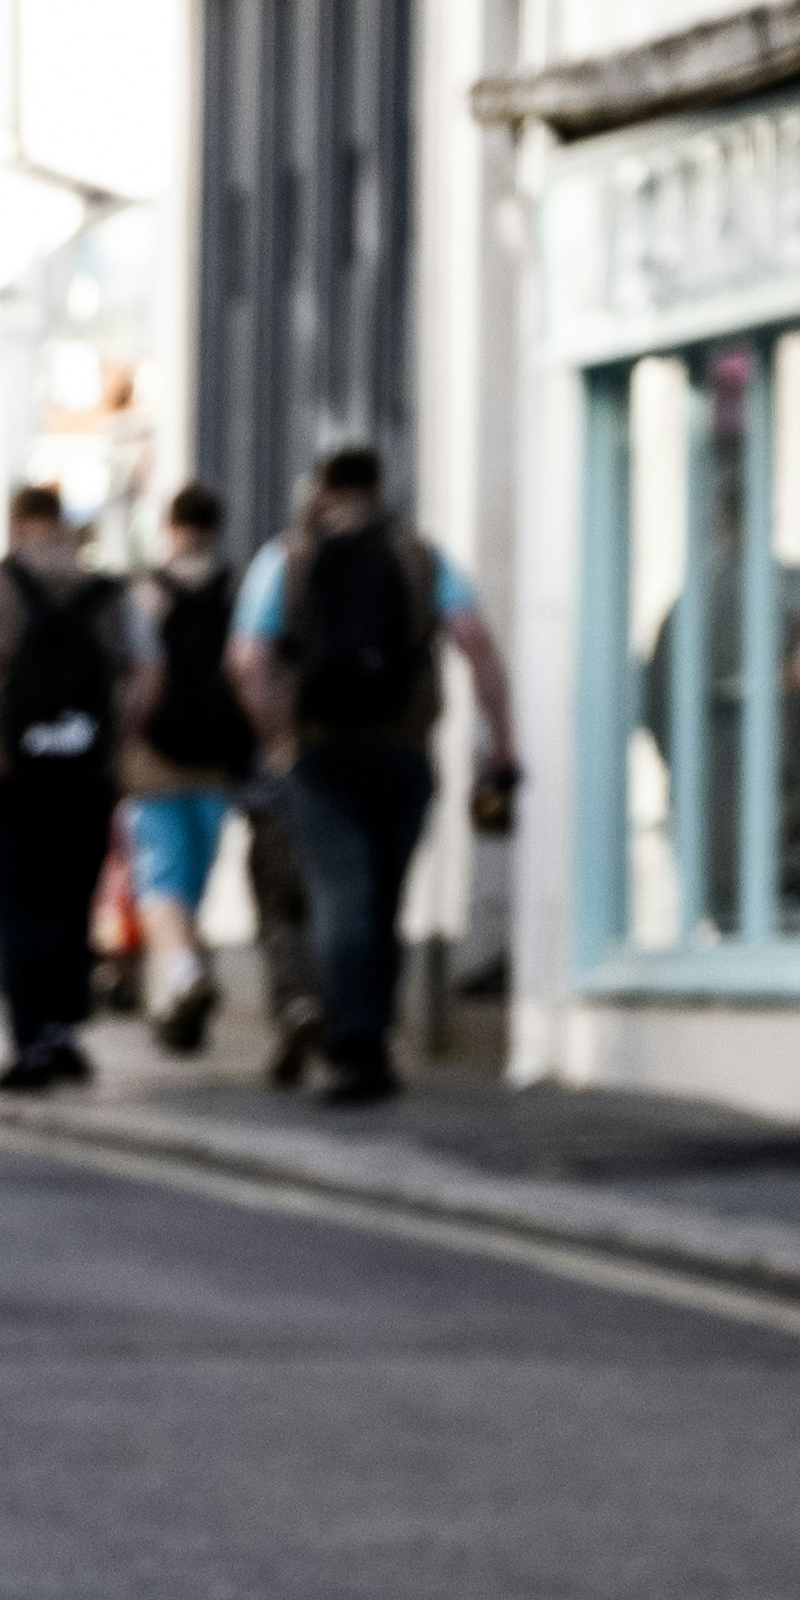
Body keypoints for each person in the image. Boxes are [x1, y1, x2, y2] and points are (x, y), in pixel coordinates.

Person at [229, 442, 525, 1106]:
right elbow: (476, 644)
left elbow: (248, 661)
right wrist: (503, 745)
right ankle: (377, 1039)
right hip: (403, 751)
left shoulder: (287, 558)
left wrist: (277, 735)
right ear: (379, 486)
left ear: (323, 489)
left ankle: (352, 1044)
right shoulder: (422, 556)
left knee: (340, 897)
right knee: (386, 900)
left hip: (321, 753)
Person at [0, 484, 131, 1096]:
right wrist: (110, 746)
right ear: (61, 525)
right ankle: (66, 1032)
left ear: (19, 524)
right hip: (88, 775)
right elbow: (143, 677)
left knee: (19, 904)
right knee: (72, 900)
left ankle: (30, 1039)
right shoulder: (109, 593)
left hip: (11, 773)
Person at [113, 480, 248, 1056]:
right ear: (216, 527)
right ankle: (177, 1009)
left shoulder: (147, 592)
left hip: (155, 763)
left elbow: (141, 675)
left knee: (159, 882)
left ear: (170, 527)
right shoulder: (237, 589)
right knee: (191, 885)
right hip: (217, 763)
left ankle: (185, 978)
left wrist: (123, 740)